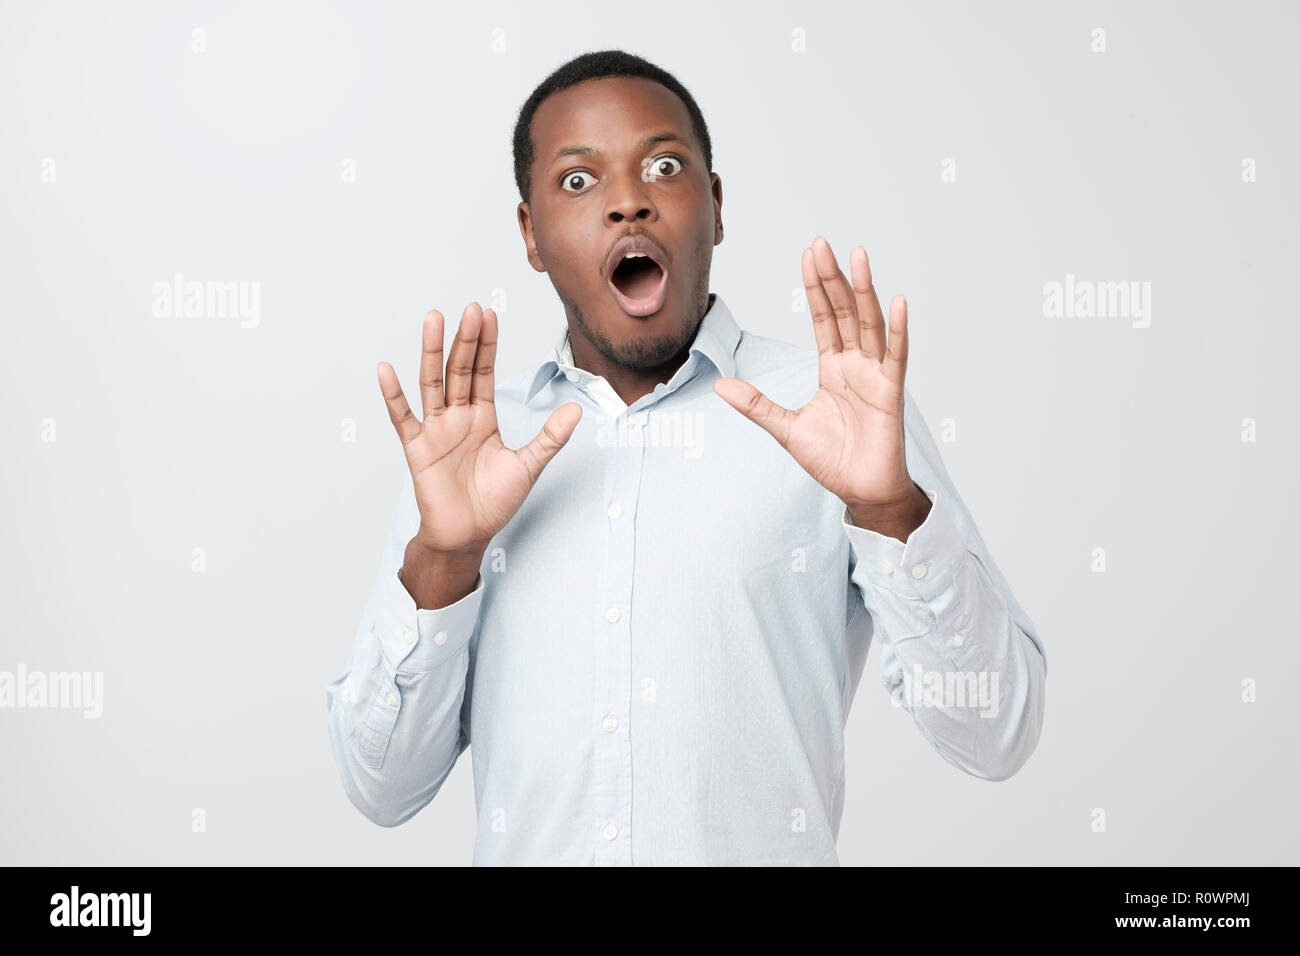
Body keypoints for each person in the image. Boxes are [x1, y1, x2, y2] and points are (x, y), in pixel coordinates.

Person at [325, 49, 1047, 866]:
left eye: (663, 167)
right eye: (577, 181)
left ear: (714, 204)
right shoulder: (476, 442)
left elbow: (998, 736)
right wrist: (442, 561)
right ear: (531, 234)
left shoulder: (837, 411)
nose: (629, 201)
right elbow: (381, 789)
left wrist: (891, 513)